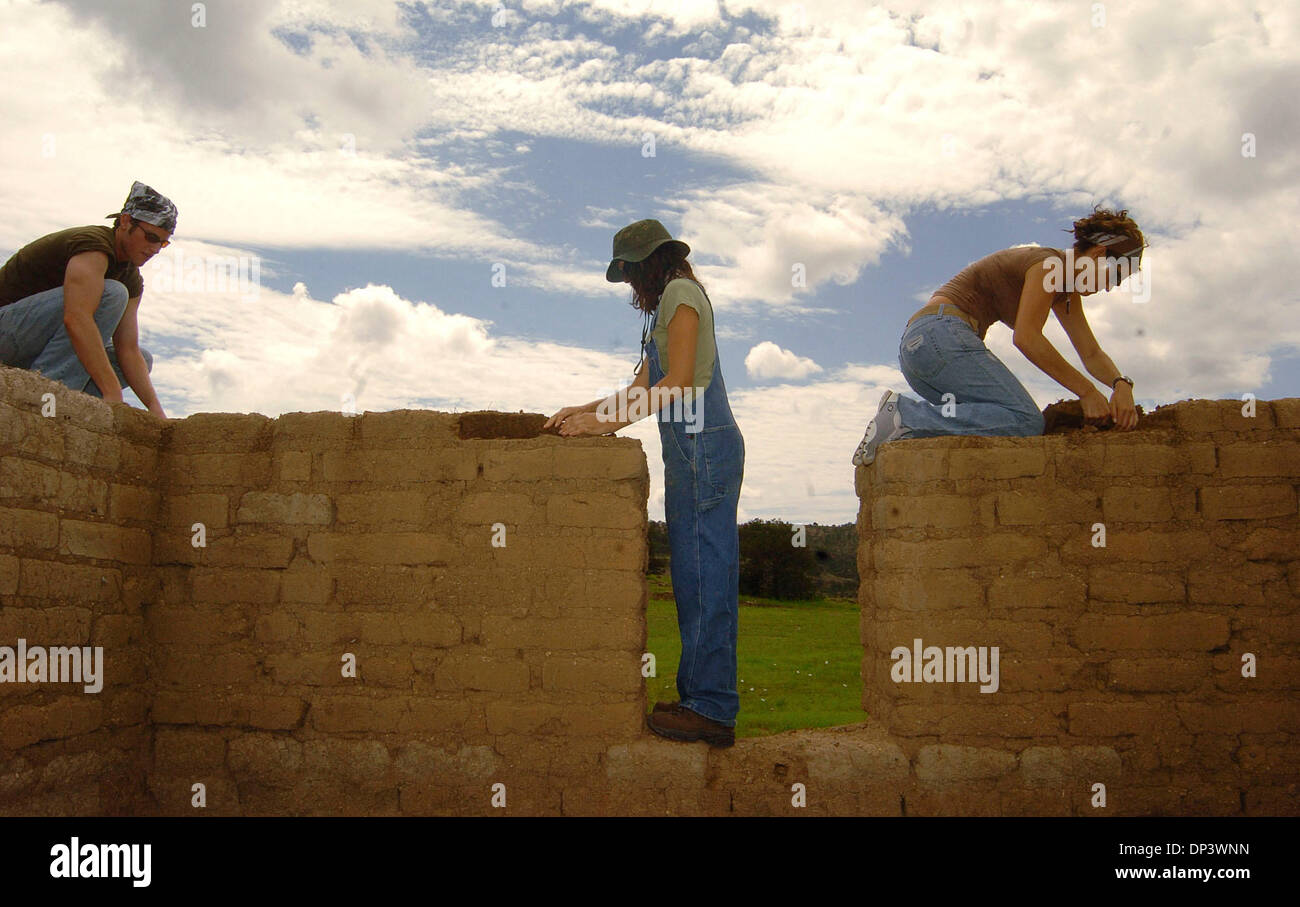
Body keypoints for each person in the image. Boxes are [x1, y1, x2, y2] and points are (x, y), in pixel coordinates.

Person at [545, 219, 745, 748]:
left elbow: (678, 382)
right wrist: (585, 409)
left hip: (705, 445)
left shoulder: (681, 292)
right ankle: (700, 698)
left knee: (705, 573)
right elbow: (643, 386)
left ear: (649, 263)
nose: (631, 285)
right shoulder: (665, 306)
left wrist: (605, 424)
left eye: (632, 272)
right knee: (694, 573)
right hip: (692, 451)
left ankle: (712, 709)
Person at [852, 206, 1144, 465]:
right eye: (1117, 277)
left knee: (995, 418)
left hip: (920, 351)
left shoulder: (1064, 291)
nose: (1111, 288)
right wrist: (1087, 391)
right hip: (942, 337)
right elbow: (1027, 338)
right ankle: (906, 415)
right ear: (1098, 254)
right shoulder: (1049, 266)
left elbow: (1091, 353)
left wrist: (1121, 385)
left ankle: (897, 431)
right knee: (1025, 419)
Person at [0, 181, 176, 419]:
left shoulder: (131, 277)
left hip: (33, 352)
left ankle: (67, 407)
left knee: (142, 360)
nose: (155, 249)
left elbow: (128, 349)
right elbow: (77, 319)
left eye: (162, 243)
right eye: (151, 237)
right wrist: (113, 393)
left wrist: (157, 413)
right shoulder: (93, 245)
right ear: (125, 222)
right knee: (112, 294)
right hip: (7, 332)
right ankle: (43, 402)